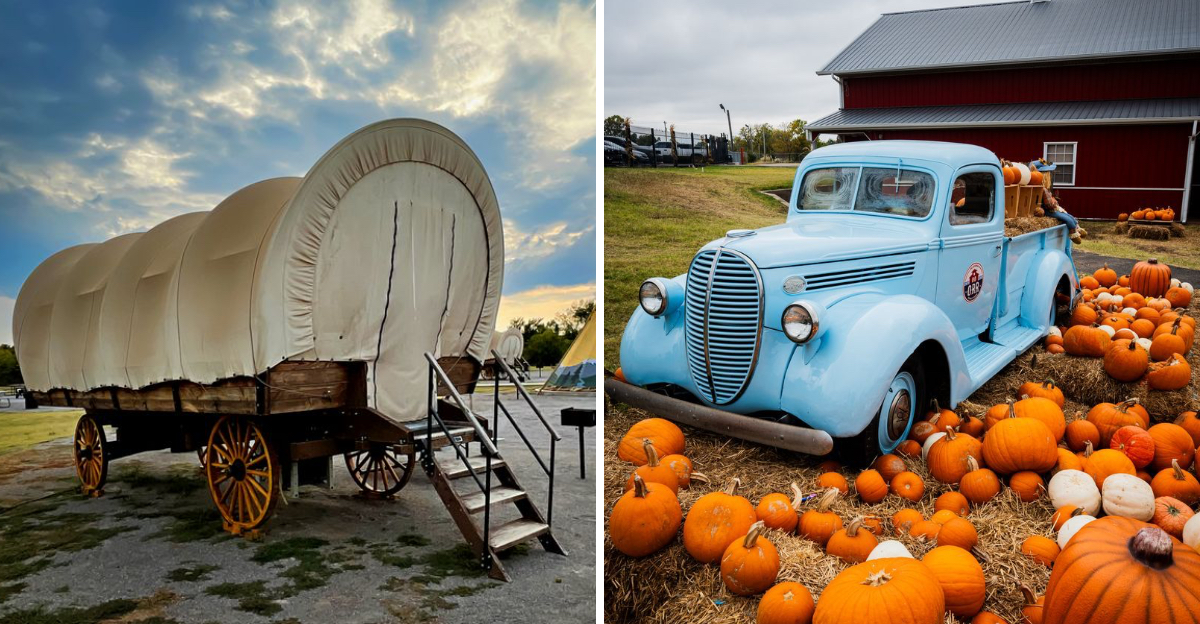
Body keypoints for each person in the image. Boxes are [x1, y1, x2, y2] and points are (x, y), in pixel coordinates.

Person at [1031, 160, 1086, 244]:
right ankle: (1073, 234)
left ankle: (1077, 229)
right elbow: (1049, 205)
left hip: (1048, 209)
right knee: (1067, 219)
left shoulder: (1045, 188)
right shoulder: (1041, 189)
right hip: (1045, 210)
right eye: (1048, 173)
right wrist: (1054, 203)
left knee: (1069, 216)